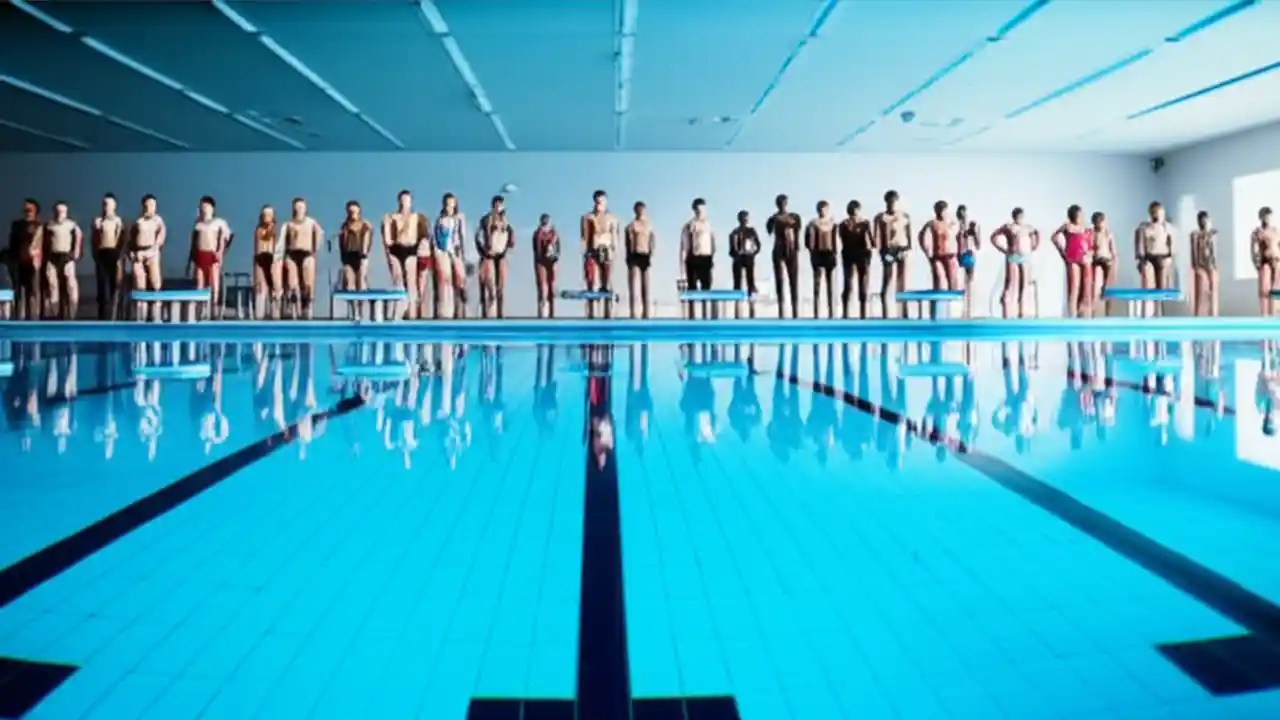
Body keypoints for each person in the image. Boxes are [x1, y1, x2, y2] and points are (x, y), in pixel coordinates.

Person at [382, 190, 427, 319]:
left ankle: (412, 314)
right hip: (396, 249)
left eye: (407, 200)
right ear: (398, 202)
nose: (404, 203)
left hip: (411, 249)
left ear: (411, 202)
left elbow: (424, 237)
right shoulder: (391, 217)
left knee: (411, 283)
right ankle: (398, 313)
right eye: (402, 200)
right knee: (398, 281)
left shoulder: (417, 217)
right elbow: (387, 239)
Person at [990, 207, 1039, 319]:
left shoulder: (1027, 227)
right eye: (1017, 217)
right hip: (1013, 255)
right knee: (1010, 281)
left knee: (1023, 282)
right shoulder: (1009, 227)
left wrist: (1034, 246)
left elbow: (1036, 233)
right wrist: (1002, 249)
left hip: (1024, 256)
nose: (1019, 219)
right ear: (1014, 217)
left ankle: (1021, 308)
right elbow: (994, 236)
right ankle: (1005, 301)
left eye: (1021, 217)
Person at [188, 195, 231, 319]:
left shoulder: (219, 223)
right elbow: (193, 243)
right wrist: (190, 260)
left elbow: (226, 238)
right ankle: (200, 311)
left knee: (214, 284)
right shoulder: (198, 224)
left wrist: (221, 252)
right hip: (200, 255)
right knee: (200, 284)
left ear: (212, 208)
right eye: (202, 206)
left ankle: (214, 310)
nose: (204, 209)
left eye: (206, 206)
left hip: (212, 256)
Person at [280, 197, 322, 319]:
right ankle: (292, 307)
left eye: (301, 207)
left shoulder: (311, 222)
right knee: (292, 283)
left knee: (307, 283)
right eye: (297, 207)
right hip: (292, 254)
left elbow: (319, 234)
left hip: (307, 254)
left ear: (305, 208)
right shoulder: (288, 224)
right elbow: (282, 241)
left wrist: (314, 250)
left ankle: (306, 307)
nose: (299, 209)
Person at [874, 189, 912, 319]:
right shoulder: (880, 218)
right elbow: (877, 237)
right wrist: (881, 252)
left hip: (902, 248)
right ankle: (885, 313)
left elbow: (909, 234)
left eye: (894, 202)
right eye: (889, 202)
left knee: (902, 281)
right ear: (886, 202)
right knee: (887, 279)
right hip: (888, 250)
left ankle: (904, 313)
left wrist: (908, 249)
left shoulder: (905, 216)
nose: (892, 204)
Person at [581, 190, 619, 319]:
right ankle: (591, 314)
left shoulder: (611, 218)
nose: (599, 204)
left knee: (606, 284)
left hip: (606, 250)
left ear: (605, 201)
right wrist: (586, 252)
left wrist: (613, 252)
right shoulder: (587, 217)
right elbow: (584, 236)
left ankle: (608, 315)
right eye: (597, 201)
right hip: (592, 250)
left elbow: (614, 236)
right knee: (591, 283)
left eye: (601, 201)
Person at [1050, 204, 1093, 318]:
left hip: (1085, 260)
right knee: (1074, 288)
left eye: (1081, 215)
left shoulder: (1086, 228)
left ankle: (1084, 315)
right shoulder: (1067, 227)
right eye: (1078, 215)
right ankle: (1073, 316)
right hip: (1073, 260)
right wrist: (1062, 252)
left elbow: (1090, 245)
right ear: (1072, 216)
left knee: (1086, 290)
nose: (1080, 217)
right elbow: (1054, 237)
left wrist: (1089, 254)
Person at [129, 194, 167, 321]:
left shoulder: (158, 221)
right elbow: (130, 241)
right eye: (147, 205)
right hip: (139, 254)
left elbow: (160, 241)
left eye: (152, 205)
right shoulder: (137, 222)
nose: (149, 207)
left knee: (156, 284)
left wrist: (150, 252)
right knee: (140, 287)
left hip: (152, 254)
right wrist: (132, 254)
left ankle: (156, 316)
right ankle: (141, 317)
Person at [475, 195, 514, 318]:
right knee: (490, 288)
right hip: (488, 256)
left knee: (500, 289)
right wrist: (484, 252)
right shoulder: (486, 220)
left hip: (501, 256)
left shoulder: (506, 223)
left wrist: (507, 249)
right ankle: (487, 315)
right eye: (496, 205)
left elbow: (511, 241)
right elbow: (478, 237)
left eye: (500, 205)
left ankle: (500, 315)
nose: (498, 207)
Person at [44, 201, 84, 320]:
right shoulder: (49, 226)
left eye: (62, 211)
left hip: (67, 258)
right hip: (52, 259)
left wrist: (75, 256)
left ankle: (72, 315)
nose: (60, 214)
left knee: (71, 285)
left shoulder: (72, 225)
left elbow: (79, 240)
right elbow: (44, 242)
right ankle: (53, 314)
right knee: (52, 286)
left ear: (66, 212)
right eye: (58, 211)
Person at [1135, 201, 1175, 313]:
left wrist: (1169, 258)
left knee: (1161, 288)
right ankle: (1146, 311)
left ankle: (1159, 311)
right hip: (1149, 257)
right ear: (1151, 214)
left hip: (1163, 257)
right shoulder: (1144, 228)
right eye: (1155, 213)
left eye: (1160, 213)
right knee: (1147, 284)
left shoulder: (1166, 227)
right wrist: (1140, 259)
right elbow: (1140, 244)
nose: (1157, 216)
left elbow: (1171, 244)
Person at [766, 194, 802, 318]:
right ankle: (781, 308)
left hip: (791, 250)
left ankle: (795, 309)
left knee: (793, 280)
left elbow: (797, 232)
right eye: (780, 203)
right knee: (779, 280)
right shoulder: (773, 218)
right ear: (777, 204)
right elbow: (769, 231)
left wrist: (797, 247)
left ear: (787, 203)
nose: (782, 205)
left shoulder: (794, 217)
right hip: (778, 250)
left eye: (784, 202)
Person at [433, 192, 468, 319]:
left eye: (452, 205)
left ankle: (461, 311)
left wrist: (462, 253)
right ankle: (445, 311)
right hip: (443, 252)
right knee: (445, 280)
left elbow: (462, 236)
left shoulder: (459, 218)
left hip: (455, 251)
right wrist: (437, 252)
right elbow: (436, 237)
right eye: (448, 205)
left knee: (460, 280)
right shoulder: (440, 220)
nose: (450, 208)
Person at [681, 198, 716, 319]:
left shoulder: (708, 225)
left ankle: (705, 315)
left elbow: (712, 242)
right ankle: (692, 316)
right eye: (698, 209)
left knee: (706, 287)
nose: (700, 212)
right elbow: (684, 245)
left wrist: (712, 257)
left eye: (702, 209)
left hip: (706, 257)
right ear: (694, 210)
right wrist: (683, 262)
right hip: (693, 258)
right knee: (692, 288)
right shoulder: (689, 225)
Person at [92, 193, 125, 320]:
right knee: (101, 287)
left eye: (109, 204)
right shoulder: (98, 221)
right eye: (105, 204)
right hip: (101, 255)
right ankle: (102, 318)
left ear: (114, 206)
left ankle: (116, 317)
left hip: (114, 254)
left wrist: (119, 258)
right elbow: (94, 240)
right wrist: (95, 254)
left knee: (115, 287)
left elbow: (122, 240)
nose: (107, 207)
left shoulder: (118, 221)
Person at [918, 200, 959, 301]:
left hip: (950, 254)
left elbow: (960, 236)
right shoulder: (932, 223)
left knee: (952, 279)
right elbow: (921, 236)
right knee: (938, 277)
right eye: (938, 210)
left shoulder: (952, 223)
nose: (940, 213)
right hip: (937, 255)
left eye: (942, 210)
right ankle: (937, 301)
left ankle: (953, 301)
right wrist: (926, 250)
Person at [839, 200, 873, 319]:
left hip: (863, 255)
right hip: (849, 254)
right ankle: (845, 313)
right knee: (848, 284)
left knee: (863, 284)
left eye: (856, 210)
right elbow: (842, 239)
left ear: (859, 210)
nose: (854, 212)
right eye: (851, 210)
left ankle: (863, 314)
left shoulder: (865, 223)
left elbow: (871, 241)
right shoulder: (843, 224)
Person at [805, 200, 839, 319]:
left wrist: (835, 254)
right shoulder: (812, 223)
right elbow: (807, 241)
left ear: (827, 210)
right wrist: (812, 251)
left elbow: (835, 241)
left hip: (829, 255)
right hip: (817, 254)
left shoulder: (832, 223)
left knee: (831, 285)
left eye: (824, 209)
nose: (822, 211)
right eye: (820, 209)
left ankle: (832, 313)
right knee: (817, 284)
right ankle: (816, 313)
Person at [624, 201, 655, 319]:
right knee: (633, 285)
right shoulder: (631, 226)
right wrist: (628, 257)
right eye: (638, 209)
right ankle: (633, 312)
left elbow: (652, 240)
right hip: (634, 255)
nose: (640, 211)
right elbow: (627, 243)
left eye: (642, 209)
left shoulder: (649, 225)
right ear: (635, 210)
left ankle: (646, 312)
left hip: (645, 255)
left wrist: (651, 252)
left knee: (646, 286)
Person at [728, 210, 761, 319]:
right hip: (738, 259)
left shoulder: (751, 231)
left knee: (751, 282)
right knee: (737, 283)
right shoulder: (734, 232)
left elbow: (758, 246)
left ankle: (752, 307)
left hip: (749, 258)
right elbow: (731, 251)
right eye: (742, 218)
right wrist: (737, 253)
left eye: (746, 218)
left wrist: (752, 253)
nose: (744, 221)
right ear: (739, 220)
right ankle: (738, 308)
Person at [252, 205, 281, 319]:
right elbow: (265, 236)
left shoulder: (275, 231)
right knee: (261, 288)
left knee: (274, 288)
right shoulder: (259, 230)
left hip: (271, 259)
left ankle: (275, 314)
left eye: (270, 214)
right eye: (265, 214)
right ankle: (259, 316)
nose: (267, 216)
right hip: (261, 259)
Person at [338, 200, 373, 292]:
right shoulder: (344, 226)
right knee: (349, 282)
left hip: (361, 256)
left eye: (354, 211)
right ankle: (352, 301)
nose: (352, 214)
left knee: (361, 281)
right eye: (350, 212)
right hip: (348, 257)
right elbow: (342, 243)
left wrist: (364, 254)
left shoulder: (365, 225)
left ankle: (362, 299)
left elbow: (367, 240)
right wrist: (343, 258)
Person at [1190, 210, 1218, 317]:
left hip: (1211, 266)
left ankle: (1213, 317)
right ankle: (1198, 317)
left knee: (1213, 293)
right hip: (1200, 267)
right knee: (1201, 293)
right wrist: (1196, 266)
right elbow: (1194, 252)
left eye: (1206, 220)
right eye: (1202, 221)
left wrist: (1215, 266)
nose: (1204, 223)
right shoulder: (1195, 235)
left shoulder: (1212, 234)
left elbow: (1214, 251)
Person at [532, 214, 560, 318]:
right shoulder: (537, 233)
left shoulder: (554, 234)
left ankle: (551, 314)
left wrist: (554, 257)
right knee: (542, 287)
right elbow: (537, 250)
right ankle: (542, 313)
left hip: (552, 261)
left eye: (547, 220)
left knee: (551, 286)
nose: (546, 221)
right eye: (544, 220)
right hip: (541, 262)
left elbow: (558, 249)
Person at [956, 204, 981, 318]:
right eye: (960, 215)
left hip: (969, 255)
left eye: (964, 215)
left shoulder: (973, 226)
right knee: (959, 283)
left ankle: (969, 310)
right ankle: (960, 309)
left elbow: (978, 245)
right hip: (957, 255)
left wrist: (974, 233)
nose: (962, 217)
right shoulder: (954, 226)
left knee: (969, 283)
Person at [1253, 206, 1280, 315]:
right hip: (1264, 264)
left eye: (1269, 216)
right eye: (1265, 216)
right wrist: (1256, 263)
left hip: (1276, 263)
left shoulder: (1276, 231)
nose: (1267, 218)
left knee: (1276, 290)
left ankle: (1275, 316)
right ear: (1261, 217)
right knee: (1264, 290)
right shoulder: (1257, 232)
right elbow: (1254, 250)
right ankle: (1264, 316)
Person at [1090, 211, 1116, 314]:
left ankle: (1108, 312)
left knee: (1108, 286)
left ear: (1104, 222)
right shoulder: (1091, 233)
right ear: (1094, 223)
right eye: (1096, 223)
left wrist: (1114, 262)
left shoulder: (1108, 234)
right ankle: (1092, 310)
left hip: (1106, 259)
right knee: (1092, 285)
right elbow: (1088, 248)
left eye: (1100, 222)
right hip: (1095, 259)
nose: (1099, 225)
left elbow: (1113, 251)